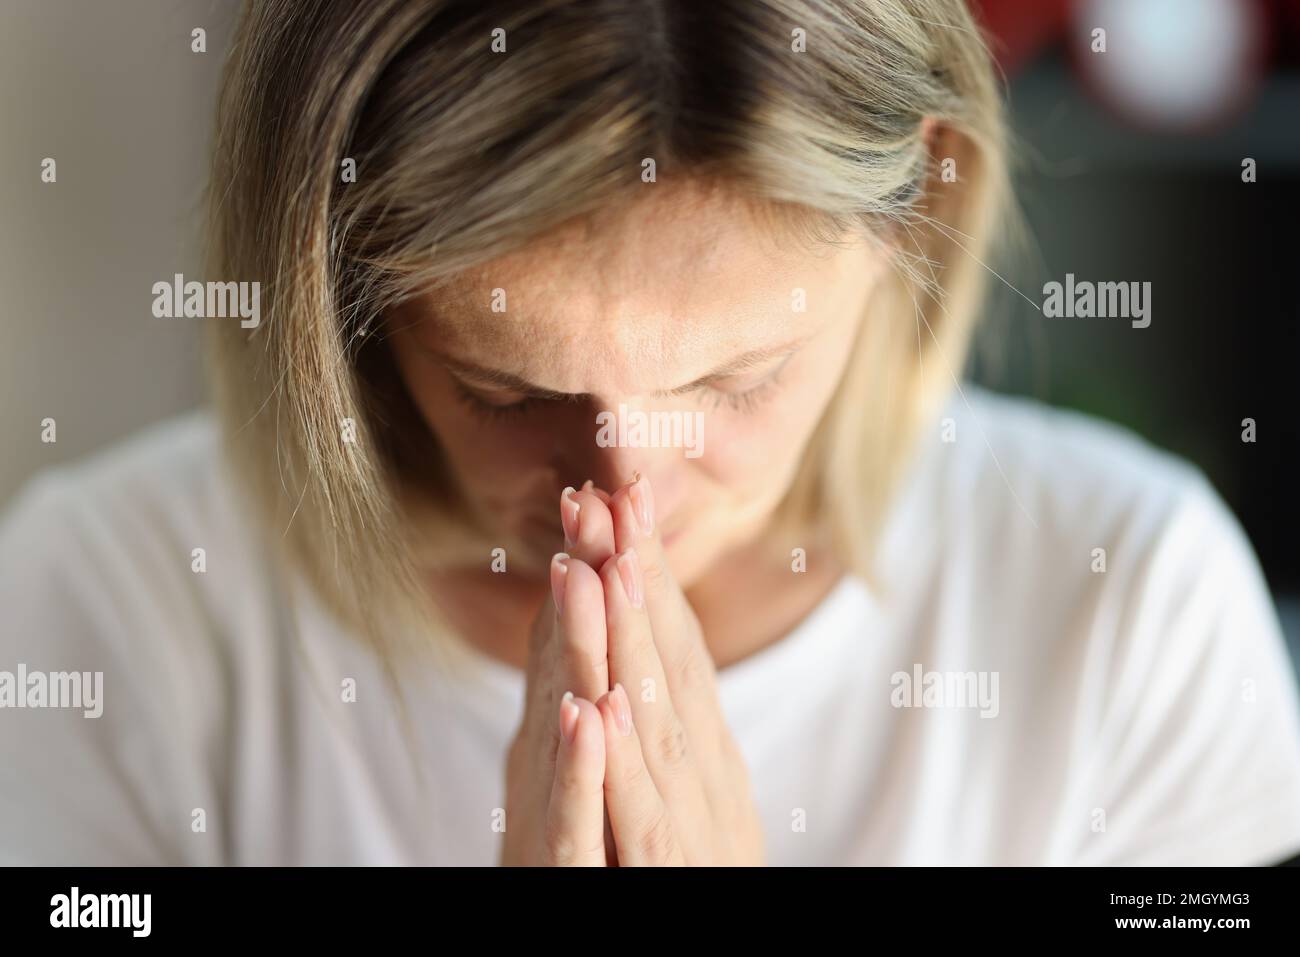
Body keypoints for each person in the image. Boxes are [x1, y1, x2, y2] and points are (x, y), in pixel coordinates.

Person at [3, 0, 1299, 866]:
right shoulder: (111, 607)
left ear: (917, 211)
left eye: (739, 378)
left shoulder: (1129, 606)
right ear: (340, 305)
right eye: (507, 391)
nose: (622, 492)